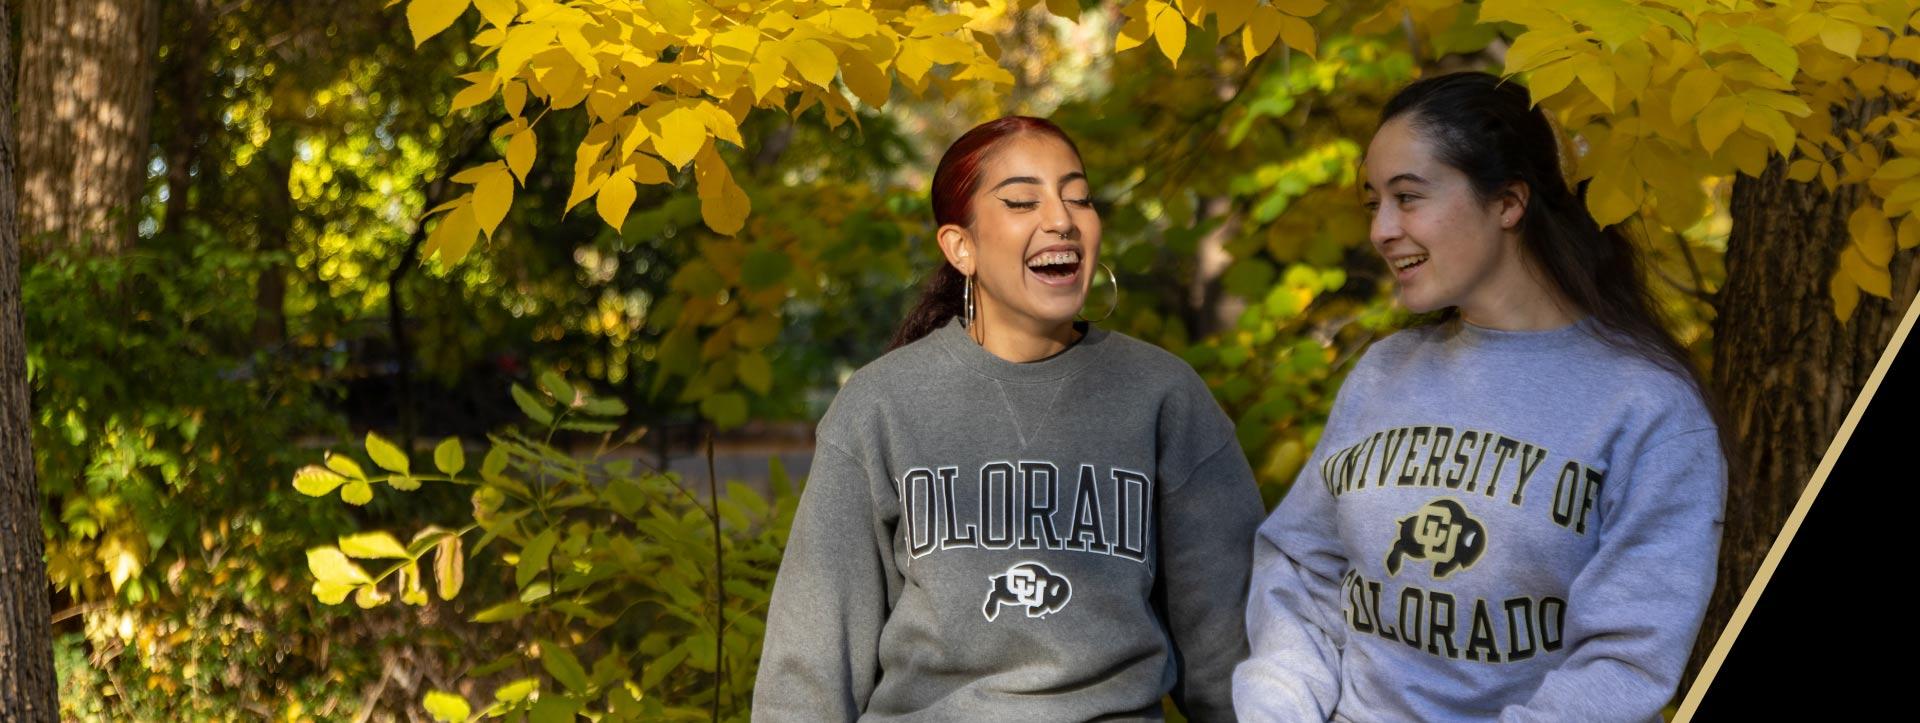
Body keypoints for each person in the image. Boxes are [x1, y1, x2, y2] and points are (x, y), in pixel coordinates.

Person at [1231, 72, 1730, 722]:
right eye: (1372, 203)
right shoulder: (1385, 372)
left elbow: (1624, 659)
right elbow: (1301, 570)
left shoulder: (1648, 407)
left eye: (1408, 197)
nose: (1382, 229)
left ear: (1508, 203)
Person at [752, 116, 1264, 721]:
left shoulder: (1164, 396)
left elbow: (1234, 656)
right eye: (1023, 200)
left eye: (1079, 197)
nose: (1062, 219)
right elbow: (808, 671)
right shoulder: (879, 405)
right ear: (960, 247)